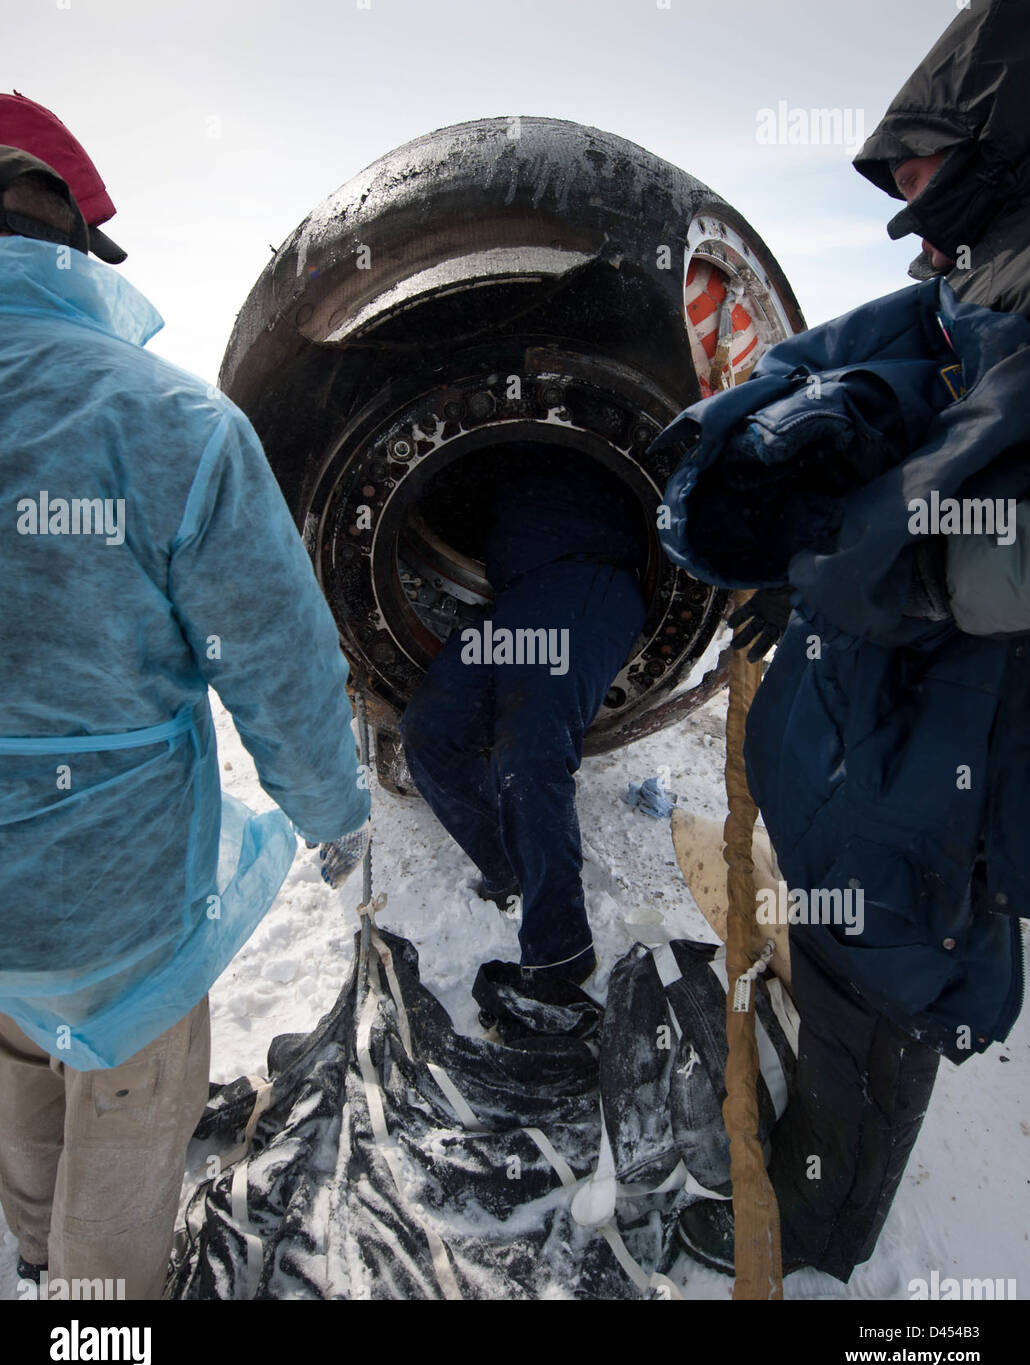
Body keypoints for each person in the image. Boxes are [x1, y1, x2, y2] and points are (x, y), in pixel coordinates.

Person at [669, 0, 1030, 1280]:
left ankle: (821, 1236)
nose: (907, 192)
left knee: (878, 1024)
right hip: (880, 769)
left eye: (924, 159)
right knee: (838, 981)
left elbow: (991, 551)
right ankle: (811, 1116)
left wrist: (885, 548)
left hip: (933, 802)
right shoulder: (968, 288)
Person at [0, 97, 370, 1300]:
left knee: (16, 1058)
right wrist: (331, 814)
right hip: (119, 905)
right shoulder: (169, 425)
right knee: (124, 1104)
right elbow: (273, 658)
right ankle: (90, 1319)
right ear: (63, 236)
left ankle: (31, 1250)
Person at [400, 440, 648, 985]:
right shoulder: (485, 472)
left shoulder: (588, 451)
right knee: (427, 732)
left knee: (530, 746)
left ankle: (560, 956)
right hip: (510, 606)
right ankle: (508, 865)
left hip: (588, 583)